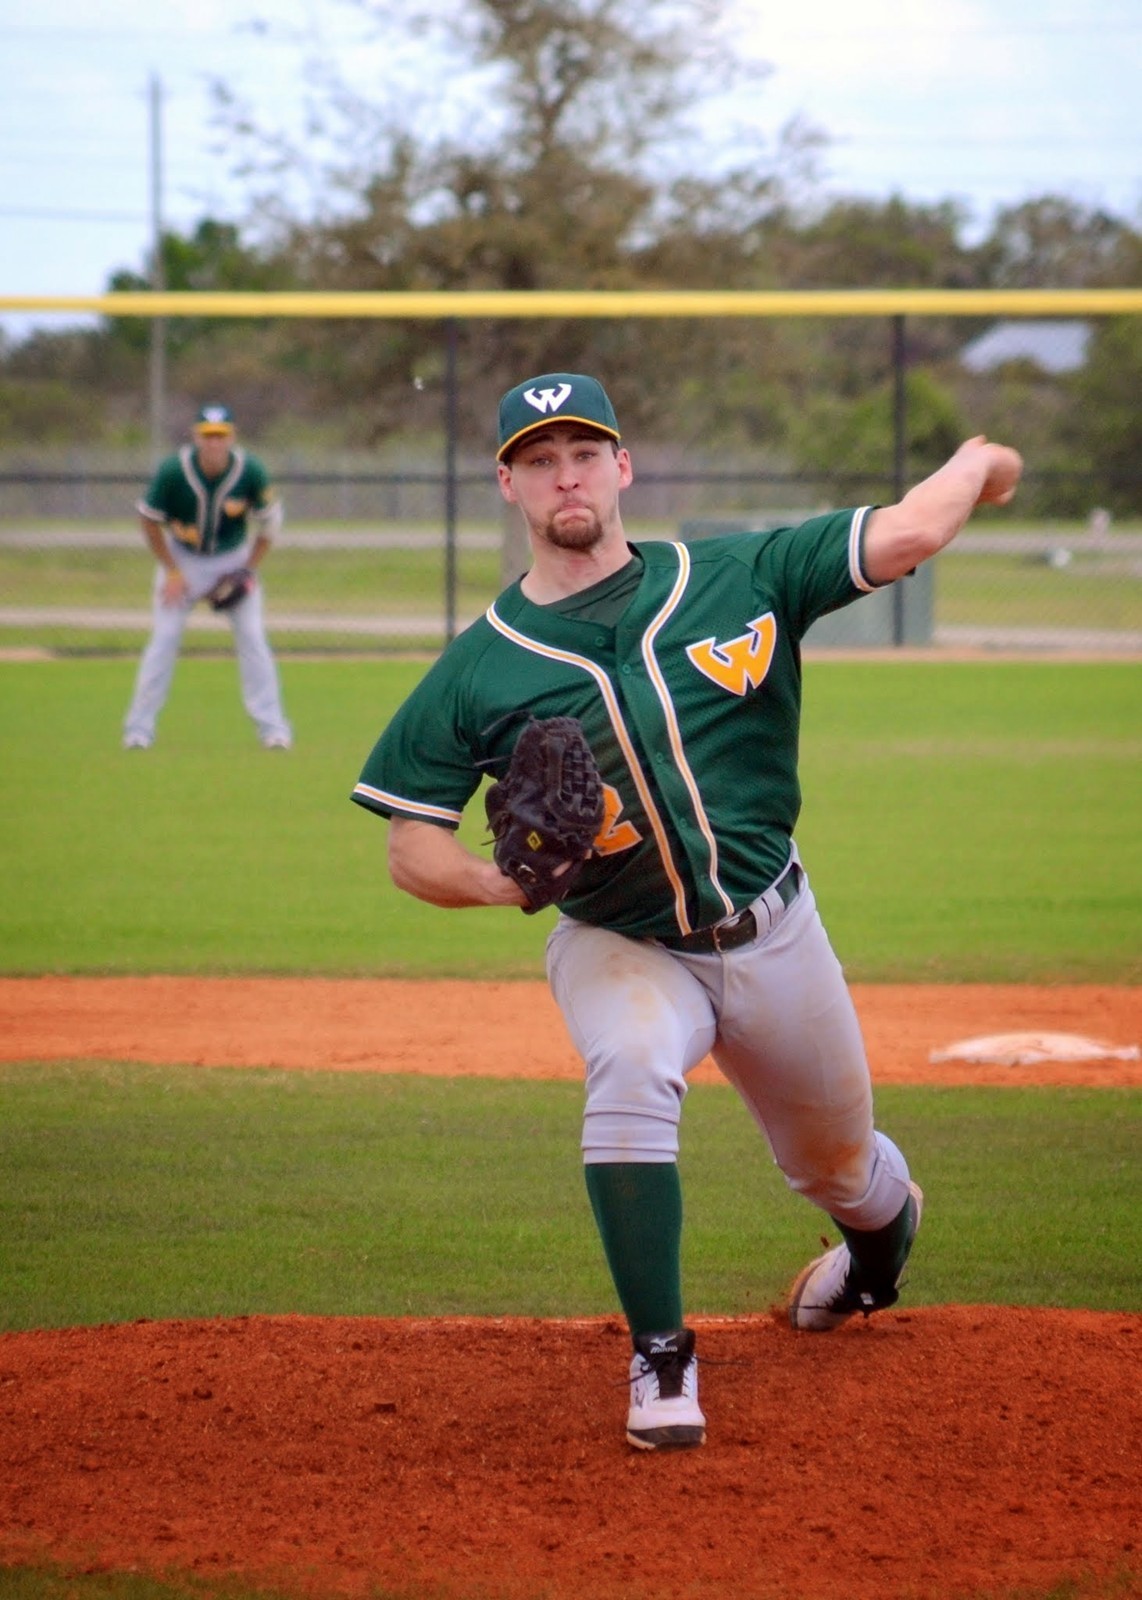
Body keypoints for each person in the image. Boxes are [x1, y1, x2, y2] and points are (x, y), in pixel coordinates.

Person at [351, 372, 1023, 1451]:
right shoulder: (478, 668)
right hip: (620, 944)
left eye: (582, 453)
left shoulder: (735, 574)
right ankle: (660, 1361)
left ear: (622, 467)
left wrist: (978, 461)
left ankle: (881, 1240)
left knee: (837, 1169)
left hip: (774, 927)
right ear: (507, 485)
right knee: (626, 1062)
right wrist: (499, 881)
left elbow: (904, 535)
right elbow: (407, 843)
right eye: (537, 460)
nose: (562, 476)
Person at [122, 404, 293, 750]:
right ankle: (138, 730)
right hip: (182, 559)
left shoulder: (250, 470)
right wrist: (171, 570)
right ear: (196, 437)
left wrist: (248, 568)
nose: (214, 443)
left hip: (231, 559)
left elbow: (271, 523)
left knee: (253, 639)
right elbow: (148, 520)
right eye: (208, 435)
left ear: (232, 437)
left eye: (221, 436)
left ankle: (273, 730)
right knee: (164, 640)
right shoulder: (174, 470)